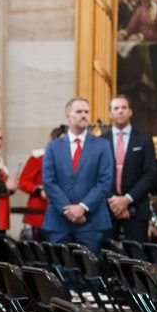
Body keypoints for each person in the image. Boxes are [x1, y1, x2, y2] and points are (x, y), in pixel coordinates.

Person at [41, 97, 114, 252]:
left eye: (86, 112)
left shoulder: (102, 145)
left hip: (91, 219)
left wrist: (82, 207)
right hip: (59, 219)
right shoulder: (53, 147)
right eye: (79, 111)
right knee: (60, 272)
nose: (84, 115)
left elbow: (105, 181)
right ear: (67, 116)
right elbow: (48, 181)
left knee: (90, 272)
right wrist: (68, 209)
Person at [100, 95, 157, 242]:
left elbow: (150, 174)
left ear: (130, 112)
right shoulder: (100, 141)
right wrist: (114, 200)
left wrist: (126, 199)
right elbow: (96, 175)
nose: (120, 111)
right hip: (107, 208)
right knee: (106, 258)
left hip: (137, 208)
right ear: (110, 113)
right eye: (116, 108)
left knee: (137, 258)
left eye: (124, 108)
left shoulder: (144, 140)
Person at [17, 125, 67, 240]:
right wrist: (39, 190)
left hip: (62, 212)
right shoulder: (39, 157)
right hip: (40, 212)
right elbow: (23, 181)